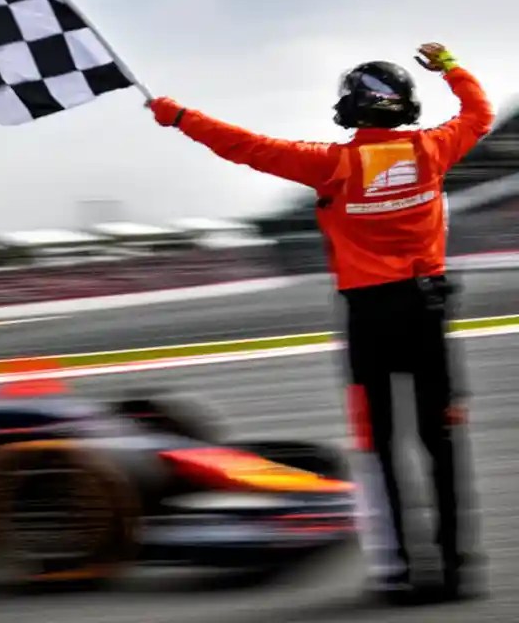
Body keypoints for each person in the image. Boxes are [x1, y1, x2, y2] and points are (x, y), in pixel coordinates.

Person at [146, 42, 494, 603]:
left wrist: (179, 116)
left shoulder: (332, 164)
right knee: (443, 442)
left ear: (356, 105)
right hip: (427, 315)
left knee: (379, 447)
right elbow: (478, 114)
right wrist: (452, 68)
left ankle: (401, 573)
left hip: (368, 320)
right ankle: (457, 572)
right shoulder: (433, 150)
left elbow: (246, 148)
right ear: (402, 105)